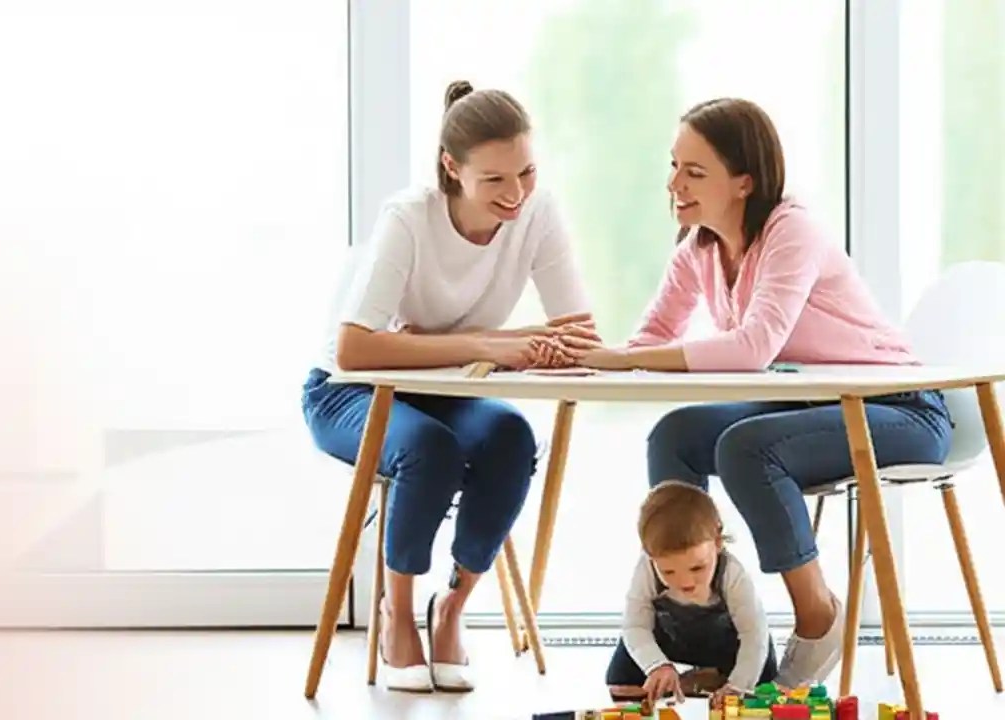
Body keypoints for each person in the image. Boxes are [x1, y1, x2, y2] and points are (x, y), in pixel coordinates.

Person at [568, 97, 953, 686]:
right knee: (676, 434)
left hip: (900, 410)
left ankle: (817, 615)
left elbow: (754, 348)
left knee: (746, 447)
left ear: (744, 182)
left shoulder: (790, 230)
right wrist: (579, 362)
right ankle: (691, 617)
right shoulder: (698, 249)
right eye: (673, 165)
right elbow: (648, 342)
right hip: (811, 409)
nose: (674, 183)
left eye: (694, 172)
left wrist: (623, 359)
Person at [301, 80, 597, 693]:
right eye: (494, 180)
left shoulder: (537, 214)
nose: (515, 194)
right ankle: (397, 613)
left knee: (511, 437)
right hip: (347, 391)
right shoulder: (409, 219)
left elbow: (578, 330)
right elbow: (356, 347)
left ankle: (452, 608)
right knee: (428, 450)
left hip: (444, 388)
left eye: (526, 172)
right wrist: (490, 343)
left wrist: (528, 345)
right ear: (451, 169)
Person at [606, 481, 777, 705]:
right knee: (619, 681)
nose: (685, 582)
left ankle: (712, 677)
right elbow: (635, 625)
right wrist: (656, 665)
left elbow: (753, 635)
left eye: (697, 568)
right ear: (649, 554)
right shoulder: (646, 569)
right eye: (668, 571)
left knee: (764, 678)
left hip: (724, 645)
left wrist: (738, 687)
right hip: (672, 640)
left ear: (717, 543)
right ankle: (694, 679)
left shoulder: (732, 574)